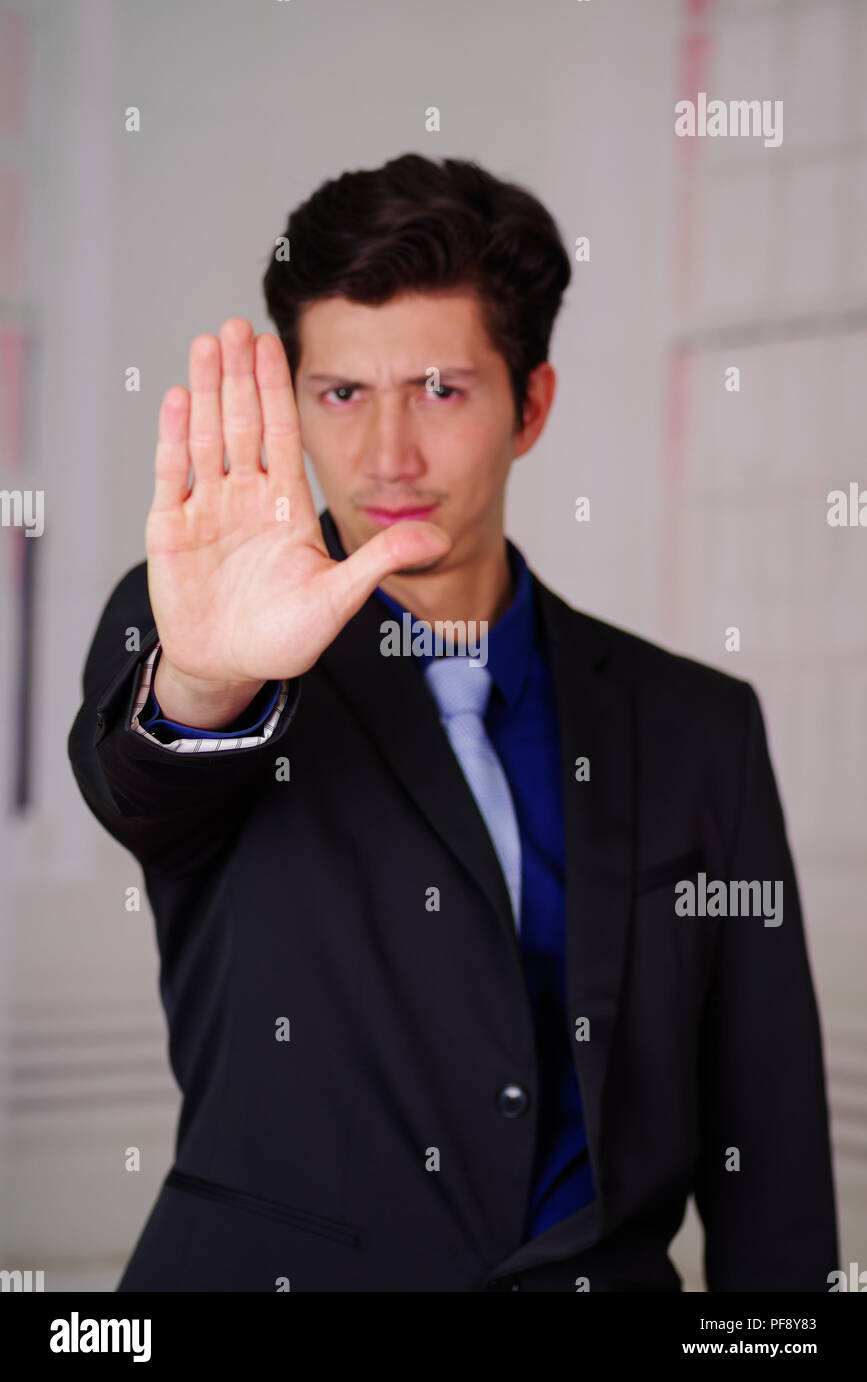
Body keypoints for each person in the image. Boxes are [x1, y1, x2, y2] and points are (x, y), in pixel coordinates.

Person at [68, 154, 838, 1292]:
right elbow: (145, 777)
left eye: (440, 389)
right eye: (341, 394)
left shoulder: (697, 728)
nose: (388, 456)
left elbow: (769, 1154)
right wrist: (203, 683)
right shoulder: (200, 639)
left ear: (529, 406)